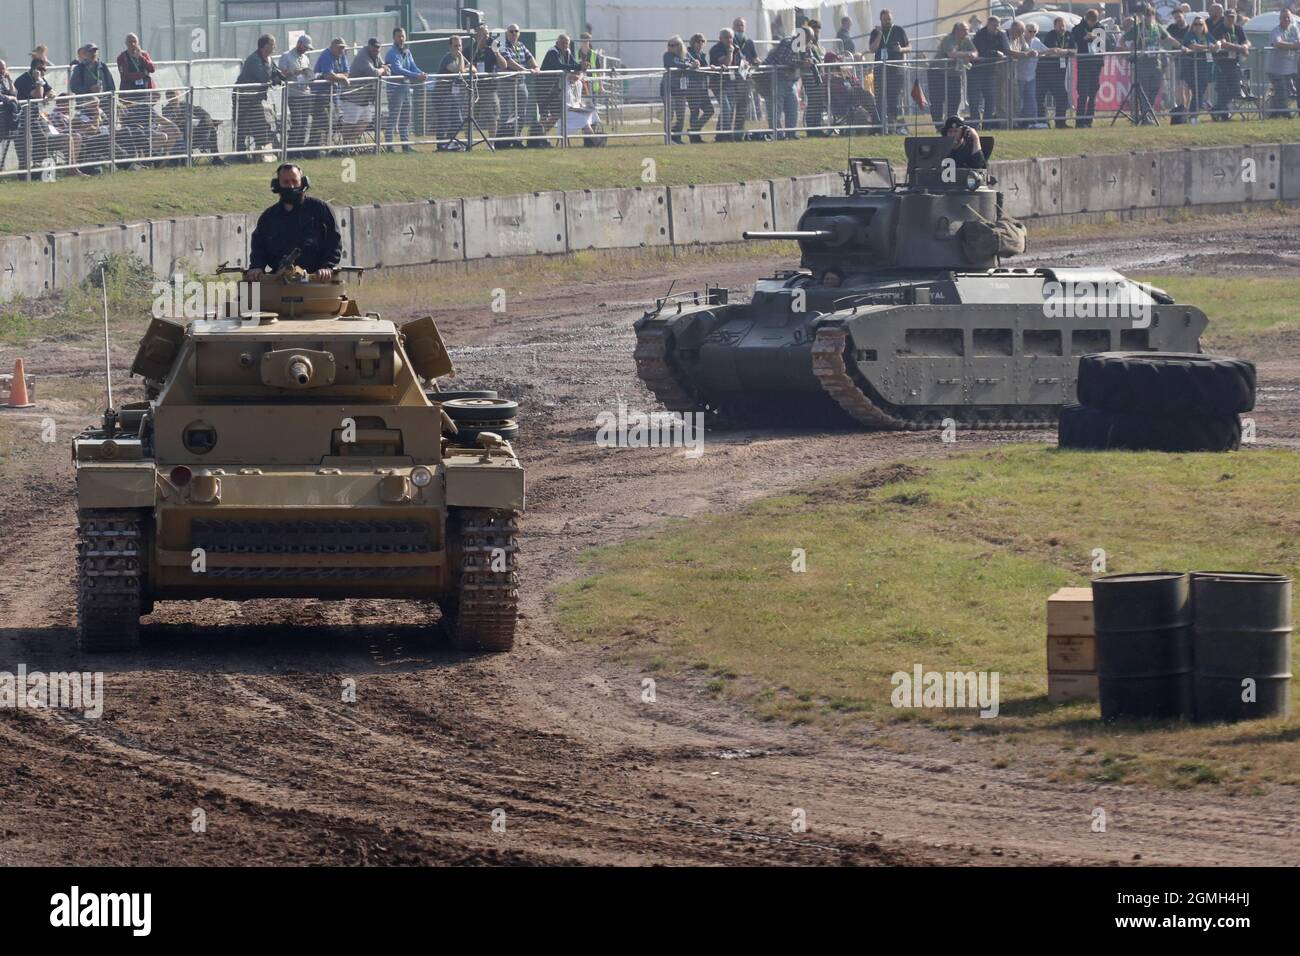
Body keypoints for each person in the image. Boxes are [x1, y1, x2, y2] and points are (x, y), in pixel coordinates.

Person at [245, 164, 341, 282]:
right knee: (246, 291)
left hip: (316, 280)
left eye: (295, 181)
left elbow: (334, 241)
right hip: (279, 281)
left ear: (303, 182)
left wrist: (327, 266)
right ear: (276, 184)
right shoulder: (268, 217)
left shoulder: (321, 210)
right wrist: (257, 267)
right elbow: (259, 246)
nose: (291, 186)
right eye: (285, 182)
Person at [233, 34, 280, 158]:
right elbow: (263, 77)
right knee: (242, 127)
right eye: (272, 44)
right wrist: (272, 78)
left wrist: (278, 76)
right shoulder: (253, 59)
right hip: (243, 97)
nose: (274, 46)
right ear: (264, 46)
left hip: (256, 98)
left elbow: (276, 73)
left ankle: (259, 154)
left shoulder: (269, 59)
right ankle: (240, 155)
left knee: (260, 125)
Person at [384, 27, 429, 151]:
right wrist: (416, 76)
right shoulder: (392, 53)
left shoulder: (407, 52)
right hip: (395, 89)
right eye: (398, 36)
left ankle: (406, 145)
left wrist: (422, 73)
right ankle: (389, 147)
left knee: (406, 118)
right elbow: (397, 69)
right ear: (394, 38)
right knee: (393, 118)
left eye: (403, 36)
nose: (401, 38)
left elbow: (413, 66)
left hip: (406, 88)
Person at [869, 9, 911, 133]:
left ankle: (895, 126)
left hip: (895, 71)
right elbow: (872, 49)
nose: (888, 21)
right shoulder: (875, 32)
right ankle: (880, 126)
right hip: (880, 71)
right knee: (880, 98)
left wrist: (901, 49)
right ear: (881, 20)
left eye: (889, 19)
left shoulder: (898, 30)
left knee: (894, 99)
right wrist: (880, 34)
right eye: (885, 19)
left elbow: (909, 47)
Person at [537, 34, 582, 145]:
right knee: (544, 115)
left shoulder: (567, 52)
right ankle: (540, 138)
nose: (565, 45)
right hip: (543, 87)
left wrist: (581, 67)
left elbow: (573, 64)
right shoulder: (552, 51)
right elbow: (559, 65)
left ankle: (540, 136)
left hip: (555, 88)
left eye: (567, 43)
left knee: (557, 113)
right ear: (557, 43)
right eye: (563, 43)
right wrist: (578, 67)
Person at [931, 22, 976, 131]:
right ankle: (939, 125)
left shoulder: (967, 39)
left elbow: (974, 52)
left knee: (955, 98)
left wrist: (971, 56)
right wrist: (966, 55)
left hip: (954, 74)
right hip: (938, 72)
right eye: (965, 30)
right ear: (957, 30)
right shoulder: (949, 39)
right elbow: (951, 54)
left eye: (967, 30)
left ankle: (951, 123)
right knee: (937, 100)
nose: (967, 32)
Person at [499, 25, 540, 147]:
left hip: (521, 83)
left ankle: (517, 138)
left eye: (516, 31)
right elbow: (509, 63)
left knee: (522, 113)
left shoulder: (521, 45)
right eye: (511, 31)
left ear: (519, 33)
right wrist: (526, 70)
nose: (513, 33)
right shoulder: (502, 45)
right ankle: (504, 140)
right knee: (506, 112)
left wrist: (536, 67)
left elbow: (530, 57)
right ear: (507, 33)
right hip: (507, 83)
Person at [345, 38, 388, 143]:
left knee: (366, 120)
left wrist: (383, 69)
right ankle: (343, 146)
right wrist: (383, 69)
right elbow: (373, 72)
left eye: (378, 47)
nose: (376, 49)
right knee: (350, 122)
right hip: (353, 97)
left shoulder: (376, 55)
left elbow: (388, 69)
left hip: (365, 98)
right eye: (374, 47)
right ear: (369, 46)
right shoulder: (363, 56)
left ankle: (350, 143)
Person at [1210, 9, 1250, 120]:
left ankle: (1218, 110)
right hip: (1222, 64)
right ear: (1225, 17)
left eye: (1233, 17)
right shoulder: (1219, 29)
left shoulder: (1238, 29)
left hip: (1234, 64)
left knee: (1235, 90)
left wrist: (1245, 46)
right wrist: (1240, 48)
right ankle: (1223, 114)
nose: (1231, 19)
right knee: (1222, 90)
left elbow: (1246, 41)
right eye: (1229, 17)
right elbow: (1224, 44)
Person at [971, 16, 1010, 128]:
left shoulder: (1001, 34)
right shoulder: (980, 35)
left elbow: (1005, 49)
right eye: (994, 25)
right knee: (974, 100)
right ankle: (975, 125)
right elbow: (981, 51)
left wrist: (998, 52)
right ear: (988, 24)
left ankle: (987, 125)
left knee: (990, 99)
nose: (996, 27)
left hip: (991, 72)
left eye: (998, 25)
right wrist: (996, 53)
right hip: (977, 72)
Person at [436, 34, 474, 149]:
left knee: (457, 120)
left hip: (454, 95)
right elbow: (459, 71)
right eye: (455, 46)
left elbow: (473, 68)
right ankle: (441, 144)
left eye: (460, 46)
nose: (458, 48)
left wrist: (465, 66)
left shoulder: (460, 57)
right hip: (442, 94)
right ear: (450, 46)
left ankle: (450, 141)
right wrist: (462, 58)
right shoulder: (448, 58)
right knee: (444, 119)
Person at [471, 25, 507, 139]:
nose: (486, 37)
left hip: (489, 89)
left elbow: (504, 65)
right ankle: (469, 142)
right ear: (476, 36)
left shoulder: (492, 49)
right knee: (470, 117)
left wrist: (497, 52)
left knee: (492, 117)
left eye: (487, 34)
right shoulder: (471, 49)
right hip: (474, 89)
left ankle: (491, 143)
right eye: (483, 34)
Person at [1037, 17, 1074, 128]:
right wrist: (1066, 51)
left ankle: (1060, 122)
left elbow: (1074, 50)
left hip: (1059, 74)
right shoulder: (1050, 35)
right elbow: (1053, 50)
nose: (1062, 28)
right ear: (1054, 26)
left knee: (1062, 97)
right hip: (1045, 72)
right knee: (1040, 98)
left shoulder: (1069, 35)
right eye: (1059, 26)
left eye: (1063, 25)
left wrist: (1063, 51)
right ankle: (1043, 122)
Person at [1071, 9, 1106, 127]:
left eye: (1094, 21)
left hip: (1095, 65)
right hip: (1083, 65)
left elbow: (1102, 46)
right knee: (1083, 93)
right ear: (1086, 18)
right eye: (1090, 20)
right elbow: (1073, 44)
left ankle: (1089, 120)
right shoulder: (1077, 28)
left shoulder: (1100, 28)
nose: (1091, 23)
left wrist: (1095, 38)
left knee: (1093, 94)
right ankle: (1080, 121)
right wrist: (1084, 38)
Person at [1265, 7, 1300, 118]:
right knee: (1282, 92)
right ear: (1280, 19)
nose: (1286, 19)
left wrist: (1294, 45)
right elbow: (1278, 43)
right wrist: (1293, 46)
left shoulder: (1294, 29)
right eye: (1284, 17)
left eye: (1288, 17)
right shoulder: (1276, 30)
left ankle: (1273, 114)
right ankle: (1286, 115)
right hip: (1276, 69)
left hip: (1291, 67)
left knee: (1293, 90)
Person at [709, 28, 742, 141]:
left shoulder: (735, 48)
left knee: (729, 109)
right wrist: (730, 51)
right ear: (720, 38)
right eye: (726, 37)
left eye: (731, 37)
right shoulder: (716, 49)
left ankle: (720, 134)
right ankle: (726, 135)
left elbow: (740, 61)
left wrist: (746, 63)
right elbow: (727, 62)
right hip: (718, 84)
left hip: (730, 83)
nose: (729, 40)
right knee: (726, 108)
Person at [662, 36, 693, 143]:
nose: (669, 47)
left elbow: (694, 62)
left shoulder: (686, 54)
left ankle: (676, 137)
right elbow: (672, 64)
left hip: (681, 90)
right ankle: (668, 138)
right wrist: (687, 65)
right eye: (668, 45)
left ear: (679, 46)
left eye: (672, 45)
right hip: (668, 89)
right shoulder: (667, 55)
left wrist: (696, 63)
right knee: (669, 115)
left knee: (681, 116)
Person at [685, 34, 714, 142]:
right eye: (698, 41)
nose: (700, 43)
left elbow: (704, 69)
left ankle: (693, 130)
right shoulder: (687, 53)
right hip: (692, 87)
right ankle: (695, 136)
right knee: (695, 111)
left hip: (702, 87)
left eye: (702, 41)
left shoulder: (702, 54)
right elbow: (687, 65)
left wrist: (710, 68)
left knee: (710, 110)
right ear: (693, 42)